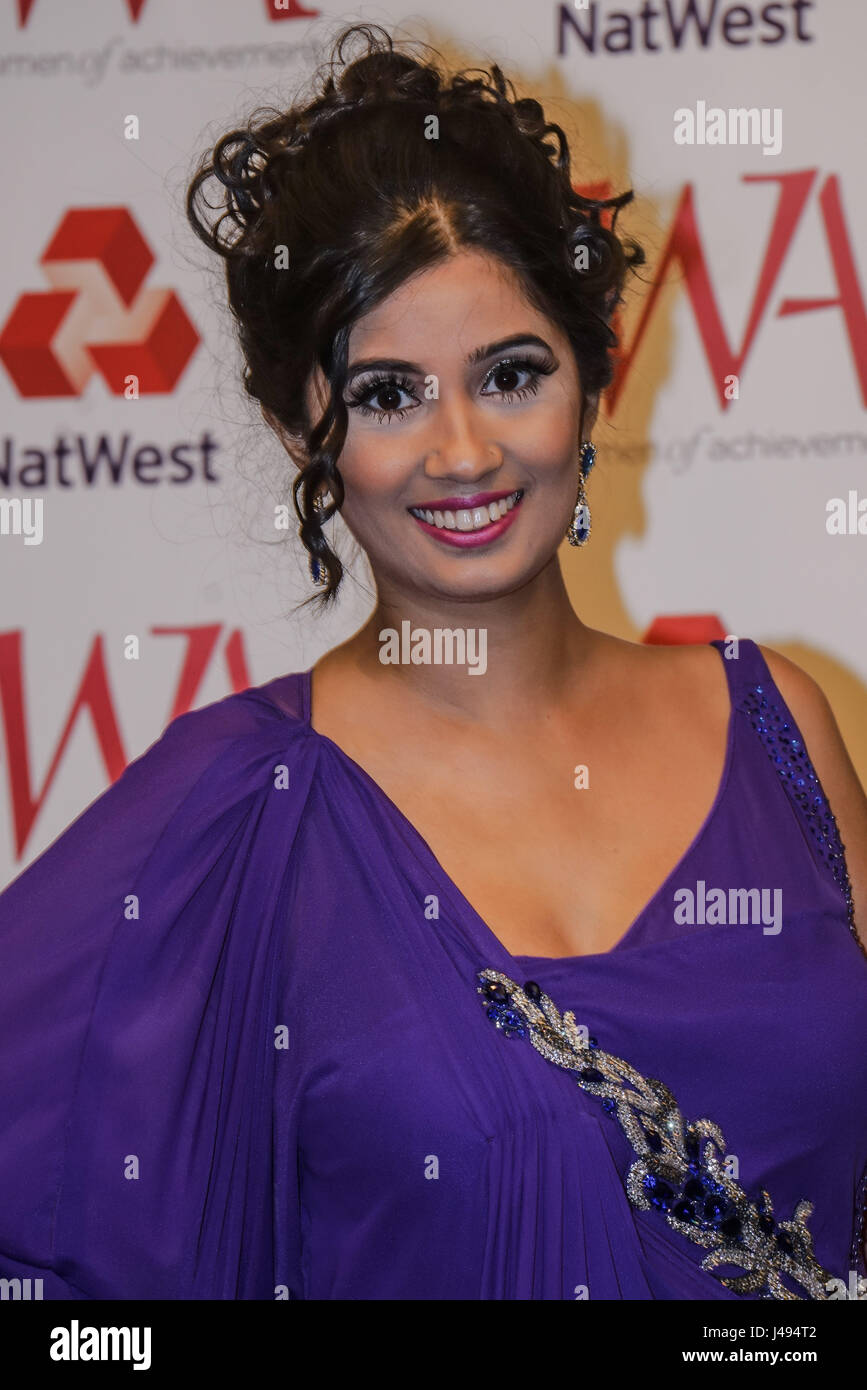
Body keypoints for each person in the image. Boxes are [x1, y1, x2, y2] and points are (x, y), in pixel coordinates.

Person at [1, 22, 865, 1302]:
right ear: (304, 422)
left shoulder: (773, 721)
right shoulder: (241, 814)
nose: (460, 453)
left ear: (593, 379)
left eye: (510, 374)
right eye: (390, 393)